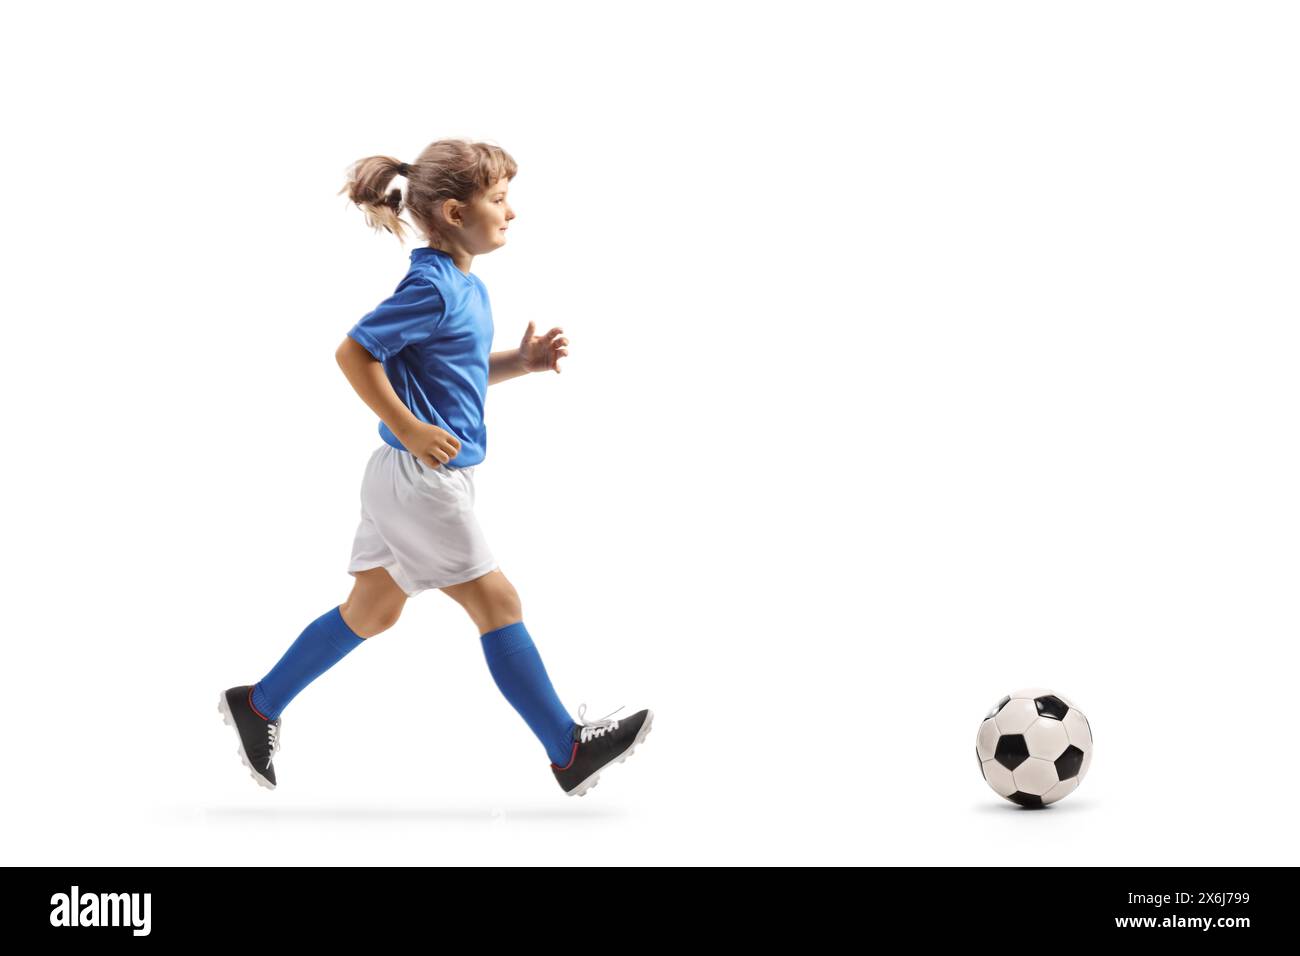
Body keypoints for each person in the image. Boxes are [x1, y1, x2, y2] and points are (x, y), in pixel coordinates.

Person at [219, 138, 652, 797]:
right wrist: (411, 428)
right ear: (454, 212)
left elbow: (455, 374)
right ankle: (568, 750)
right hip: (420, 480)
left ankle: (258, 706)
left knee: (372, 611)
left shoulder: (465, 286)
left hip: (410, 477)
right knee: (497, 600)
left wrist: (520, 363)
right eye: (499, 199)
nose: (512, 212)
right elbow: (354, 353)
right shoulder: (431, 285)